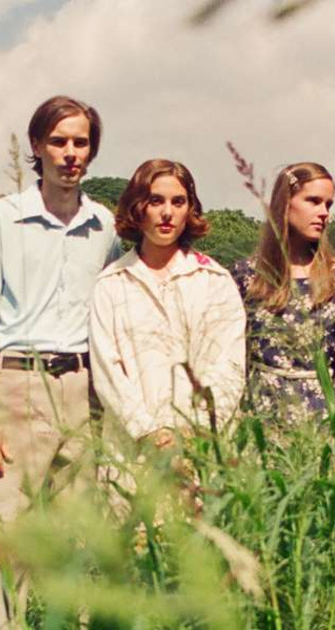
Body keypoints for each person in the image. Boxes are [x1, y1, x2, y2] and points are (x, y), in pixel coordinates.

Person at [0, 95, 121, 627]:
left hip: (82, 387)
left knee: (78, 528)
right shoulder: (3, 217)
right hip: (18, 384)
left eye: (81, 142)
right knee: (7, 524)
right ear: (37, 146)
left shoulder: (106, 225)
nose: (70, 153)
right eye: (59, 141)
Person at [89, 159, 246, 456]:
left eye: (178, 202)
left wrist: (195, 432)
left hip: (202, 450)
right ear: (138, 207)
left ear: (190, 209)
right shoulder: (111, 283)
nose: (167, 213)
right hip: (132, 451)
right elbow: (107, 372)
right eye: (155, 201)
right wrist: (149, 432)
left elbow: (229, 368)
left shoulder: (215, 281)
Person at [230, 162, 335, 424]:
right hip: (259, 415)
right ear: (285, 202)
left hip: (322, 417)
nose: (323, 213)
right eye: (313, 201)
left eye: (328, 204)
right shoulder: (246, 276)